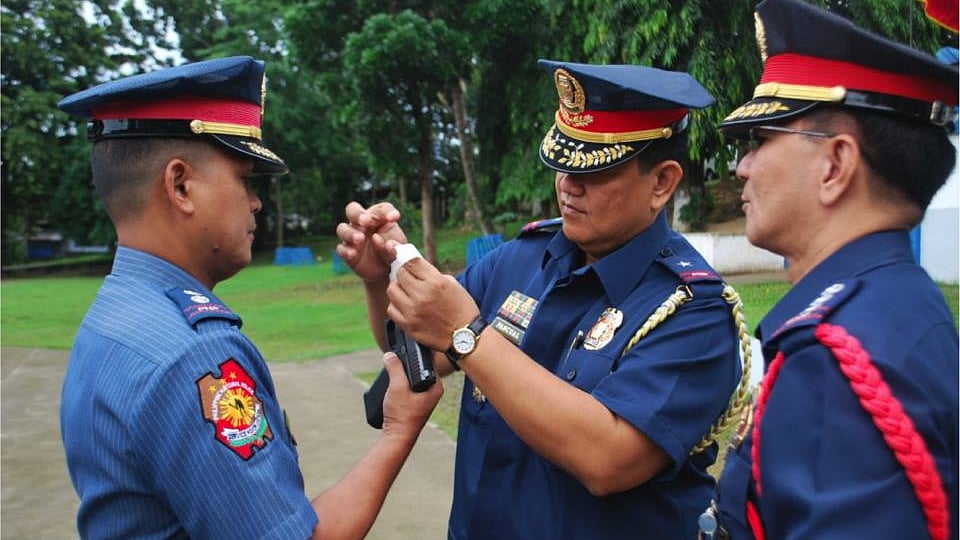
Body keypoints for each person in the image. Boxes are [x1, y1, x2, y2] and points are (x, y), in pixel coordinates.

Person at [338, 60, 749, 539]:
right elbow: (416, 356)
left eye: (595, 171)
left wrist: (469, 336)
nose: (568, 185)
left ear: (662, 182)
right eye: (562, 163)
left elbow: (607, 460)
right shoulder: (521, 258)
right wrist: (382, 274)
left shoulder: (693, 310)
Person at [58, 56, 442, 539]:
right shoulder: (197, 354)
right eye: (245, 179)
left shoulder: (115, 313)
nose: (256, 201)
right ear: (180, 186)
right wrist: (399, 432)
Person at [702, 1, 960, 539]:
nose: (741, 166)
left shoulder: (833, 362)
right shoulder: (897, 302)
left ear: (835, 166)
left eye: (762, 140)